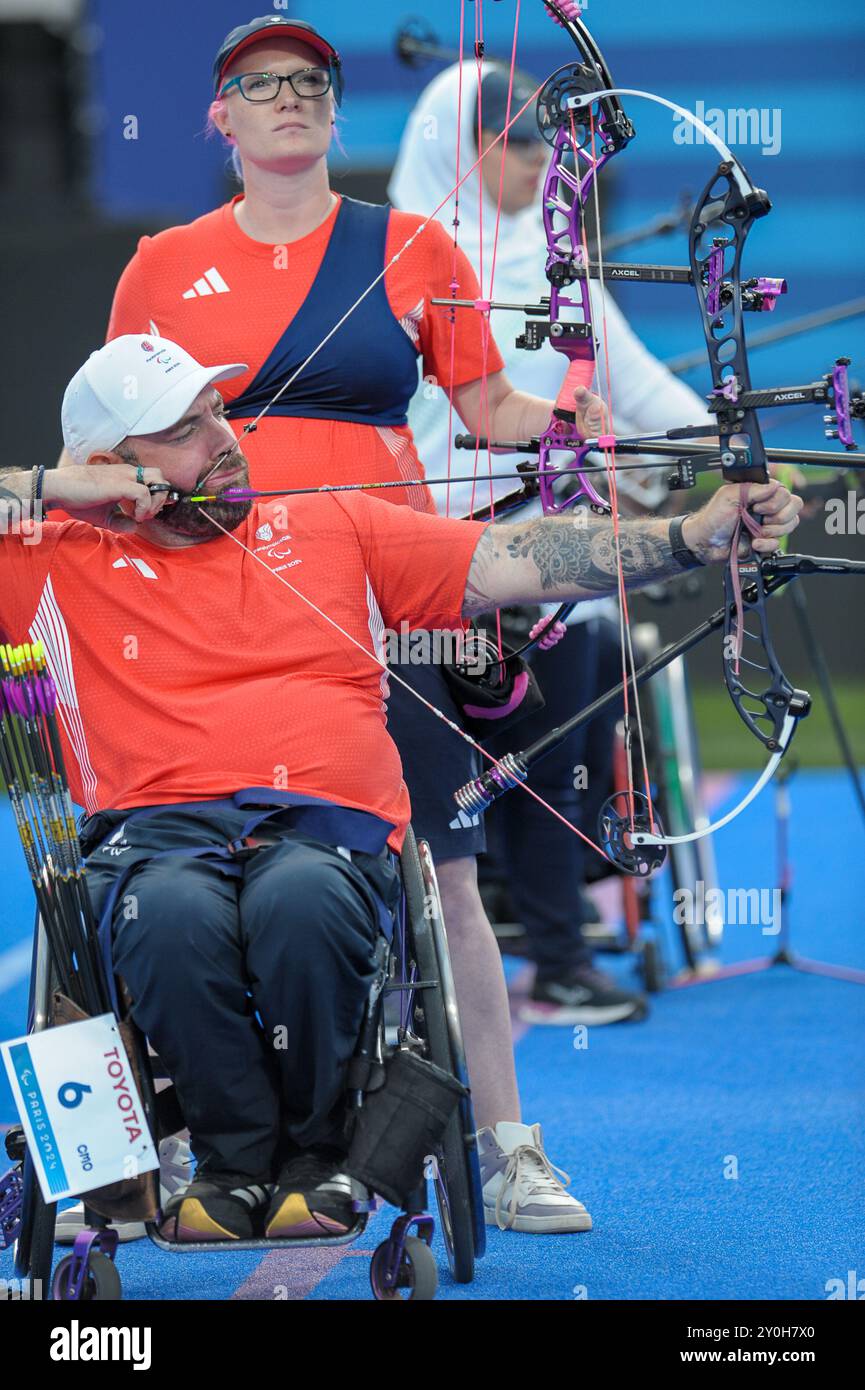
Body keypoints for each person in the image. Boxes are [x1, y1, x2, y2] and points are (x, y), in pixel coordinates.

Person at [2, 335, 802, 1239]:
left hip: (323, 832)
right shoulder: (44, 555)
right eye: (184, 430)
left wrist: (691, 535)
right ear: (114, 468)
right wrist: (49, 489)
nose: (222, 439)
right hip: (154, 842)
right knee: (175, 915)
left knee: (299, 899)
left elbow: (515, 556)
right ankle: (231, 1167)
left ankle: (319, 1160)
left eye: (218, 412)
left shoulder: (331, 521)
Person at [53, 13, 625, 1229]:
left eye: (311, 82)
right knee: (196, 871)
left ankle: (508, 1143)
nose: (289, 99)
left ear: (334, 108)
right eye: (259, 84)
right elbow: (110, 435)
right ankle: (192, 1143)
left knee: (446, 875)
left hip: (381, 591)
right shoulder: (161, 262)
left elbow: (486, 406)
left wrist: (584, 419)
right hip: (216, 599)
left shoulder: (410, 246)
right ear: (221, 115)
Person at [389, 58, 713, 1024]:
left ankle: (562, 955)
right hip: (416, 565)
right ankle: (412, 980)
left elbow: (649, 394)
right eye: (517, 140)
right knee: (422, 780)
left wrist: (726, 463)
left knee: (556, 750)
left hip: (545, 564)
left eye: (546, 141)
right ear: (460, 144)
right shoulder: (395, 258)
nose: (540, 160)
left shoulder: (553, 263)